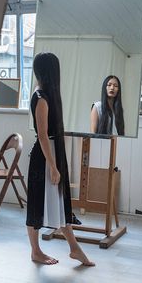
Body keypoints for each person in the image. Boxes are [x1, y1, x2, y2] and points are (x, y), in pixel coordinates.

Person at [26, 52, 95, 266]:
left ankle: (74, 249)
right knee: (37, 203)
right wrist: (54, 167)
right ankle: (36, 251)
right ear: (52, 72)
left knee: (61, 202)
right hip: (45, 157)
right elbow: (43, 135)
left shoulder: (48, 95)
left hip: (54, 153)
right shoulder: (41, 99)